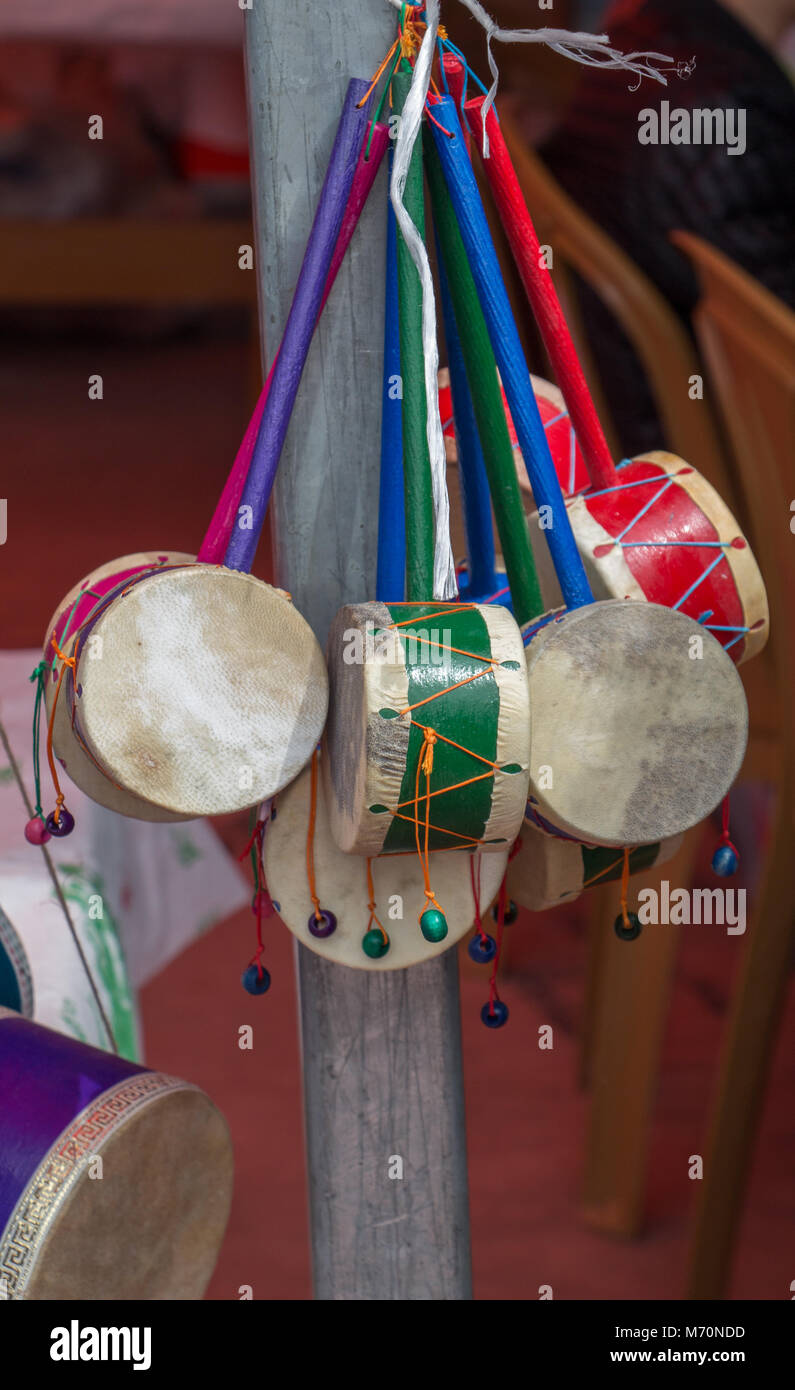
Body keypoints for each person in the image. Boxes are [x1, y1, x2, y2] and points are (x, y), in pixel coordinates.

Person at [532, 0, 795, 454]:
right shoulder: (720, 109)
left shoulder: (640, 45)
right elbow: (775, 339)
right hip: (711, 469)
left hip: (627, 419)